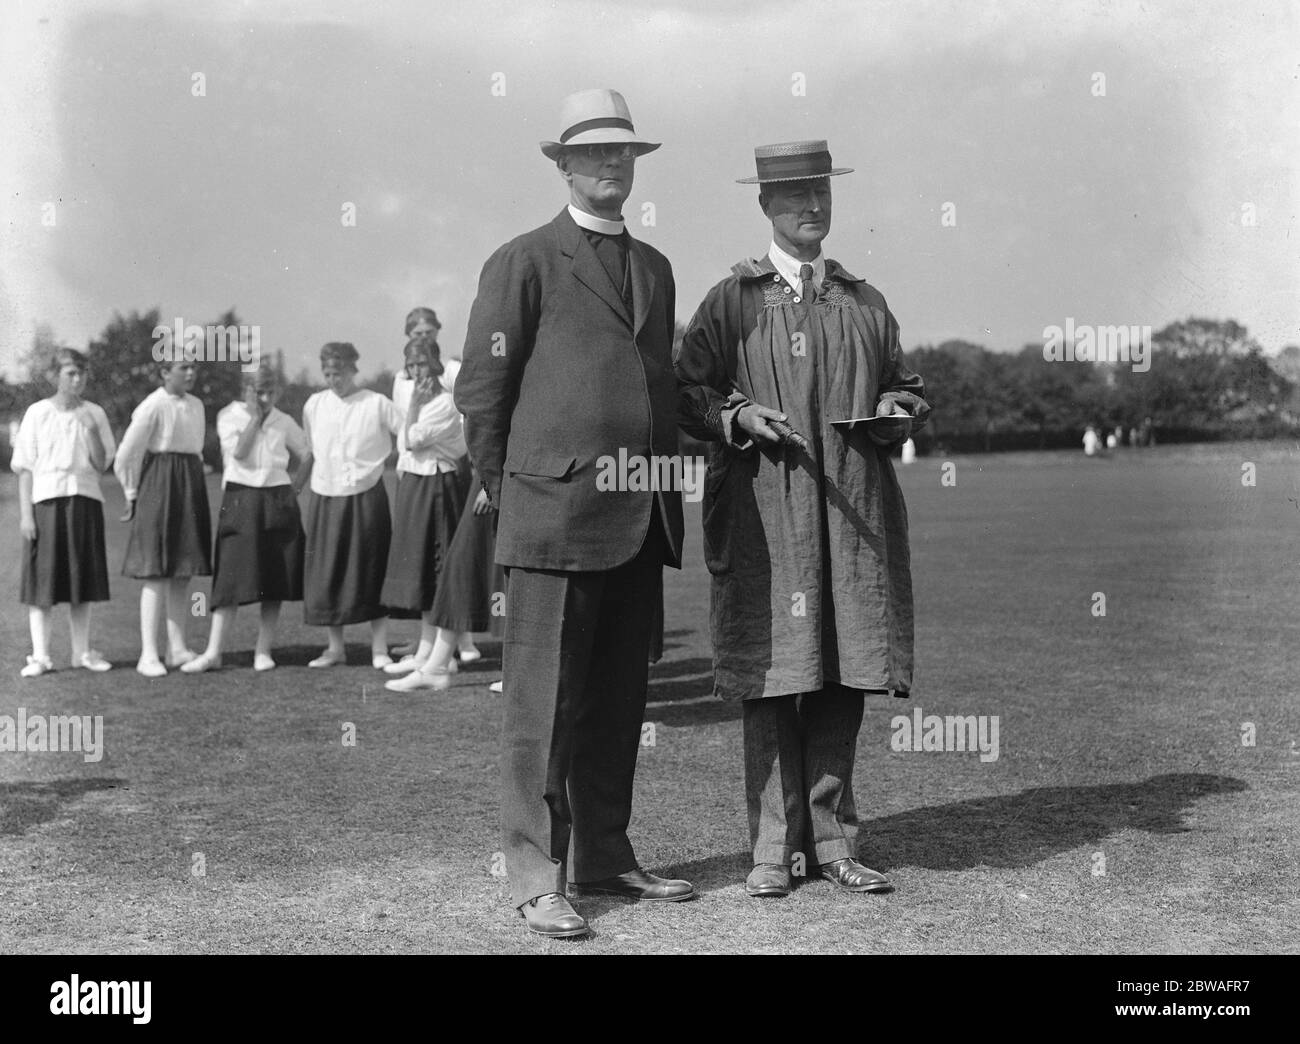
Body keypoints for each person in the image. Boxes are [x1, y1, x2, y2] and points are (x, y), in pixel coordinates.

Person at [454, 88, 691, 938]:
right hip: (551, 520)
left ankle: (607, 857)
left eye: (623, 153)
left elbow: (662, 390)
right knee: (540, 709)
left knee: (618, 702)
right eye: (594, 154)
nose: (610, 166)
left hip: (639, 517)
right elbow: (482, 393)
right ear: (562, 164)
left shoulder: (657, 268)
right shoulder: (523, 260)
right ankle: (534, 873)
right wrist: (516, 487)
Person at [676, 140, 930, 899]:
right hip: (764, 516)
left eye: (819, 193)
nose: (810, 208)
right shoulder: (733, 300)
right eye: (793, 198)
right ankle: (771, 852)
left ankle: (834, 843)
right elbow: (686, 391)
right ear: (766, 207)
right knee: (772, 676)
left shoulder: (863, 298)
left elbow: (906, 388)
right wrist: (739, 412)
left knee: (843, 674)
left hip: (852, 517)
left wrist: (895, 410)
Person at [182, 364, 308, 673]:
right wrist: (256, 417)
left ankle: (263, 651)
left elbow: (307, 452)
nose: (265, 398)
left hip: (278, 500)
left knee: (274, 579)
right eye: (258, 391)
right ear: (246, 390)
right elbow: (239, 453)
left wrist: (296, 485)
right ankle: (214, 652)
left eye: (270, 391)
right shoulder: (229, 415)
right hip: (241, 498)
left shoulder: (284, 420)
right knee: (230, 579)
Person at [298, 342, 403, 668]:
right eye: (328, 373)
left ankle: (379, 648)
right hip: (325, 495)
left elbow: (409, 437)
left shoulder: (377, 403)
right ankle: (335, 648)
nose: (333, 379)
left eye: (339, 372)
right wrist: (295, 487)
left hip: (367, 495)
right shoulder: (314, 404)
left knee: (372, 569)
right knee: (328, 571)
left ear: (353, 369)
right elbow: (310, 449)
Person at [13, 348, 117, 676]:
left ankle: (81, 652)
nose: (77, 379)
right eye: (71, 373)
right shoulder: (37, 413)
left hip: (84, 500)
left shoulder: (95, 414)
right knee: (42, 583)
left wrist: (89, 431)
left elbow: (102, 465)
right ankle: (41, 656)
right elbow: (25, 468)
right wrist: (27, 515)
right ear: (55, 376)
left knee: (80, 581)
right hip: (45, 503)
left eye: (82, 373)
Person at [115, 354, 211, 677]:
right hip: (159, 483)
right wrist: (131, 492)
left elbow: (195, 449)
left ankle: (177, 647)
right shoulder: (152, 405)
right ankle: (148, 654)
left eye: (193, 367)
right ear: (164, 372)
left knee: (182, 569)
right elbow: (125, 455)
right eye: (183, 367)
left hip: (189, 482)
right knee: (156, 570)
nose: (190, 372)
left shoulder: (197, 405)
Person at [378, 333, 467, 675]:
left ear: (435, 363)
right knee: (420, 568)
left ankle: (445, 656)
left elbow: (410, 441)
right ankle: (426, 648)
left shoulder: (445, 402)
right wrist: (412, 406)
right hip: (415, 483)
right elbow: (404, 444)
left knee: (438, 565)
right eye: (411, 365)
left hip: (438, 483)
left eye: (422, 363)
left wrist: (413, 406)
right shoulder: (414, 396)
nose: (416, 371)